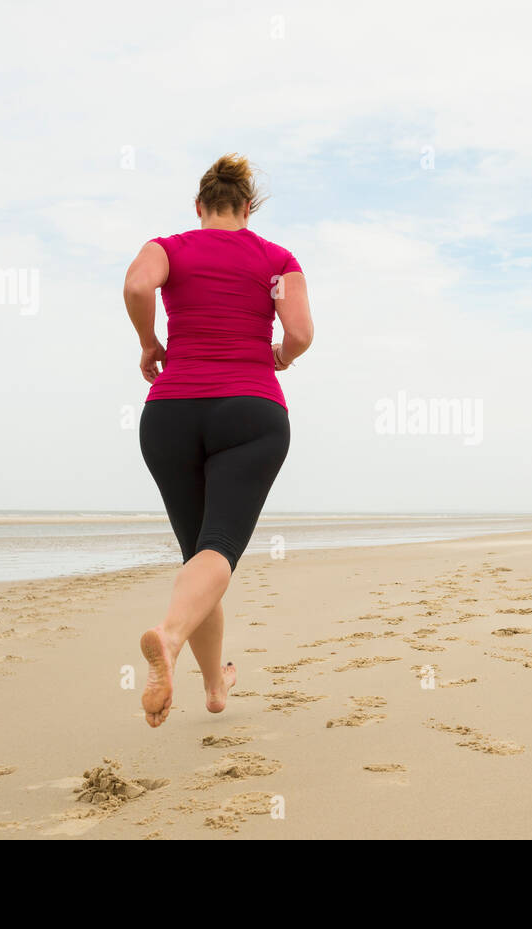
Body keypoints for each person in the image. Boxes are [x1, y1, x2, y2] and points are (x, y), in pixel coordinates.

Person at [122, 153, 313, 728]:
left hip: (170, 415)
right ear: (247, 210)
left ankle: (214, 687)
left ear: (200, 207)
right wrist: (282, 355)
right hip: (250, 412)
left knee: (199, 556)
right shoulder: (276, 259)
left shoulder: (169, 248)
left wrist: (150, 342)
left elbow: (136, 285)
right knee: (220, 548)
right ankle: (171, 636)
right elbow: (301, 331)